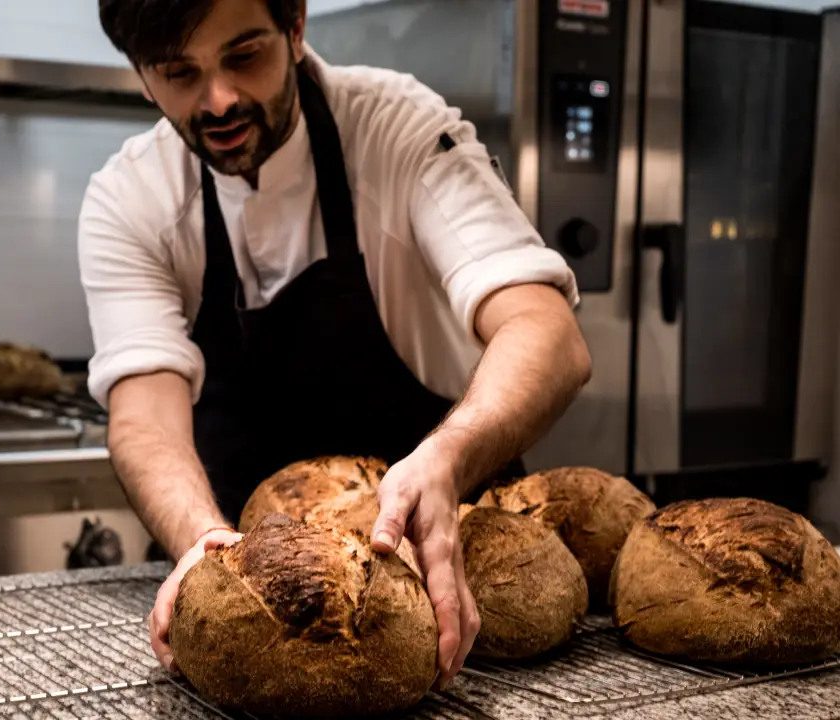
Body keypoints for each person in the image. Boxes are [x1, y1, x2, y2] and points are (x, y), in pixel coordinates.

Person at [80, 0, 592, 691]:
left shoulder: (398, 131)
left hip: (445, 576)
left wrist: (448, 456)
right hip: (247, 581)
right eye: (179, 73)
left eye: (244, 55)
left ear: (295, 28)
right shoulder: (130, 198)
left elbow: (548, 332)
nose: (220, 99)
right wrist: (201, 541)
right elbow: (143, 417)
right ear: (143, 78)